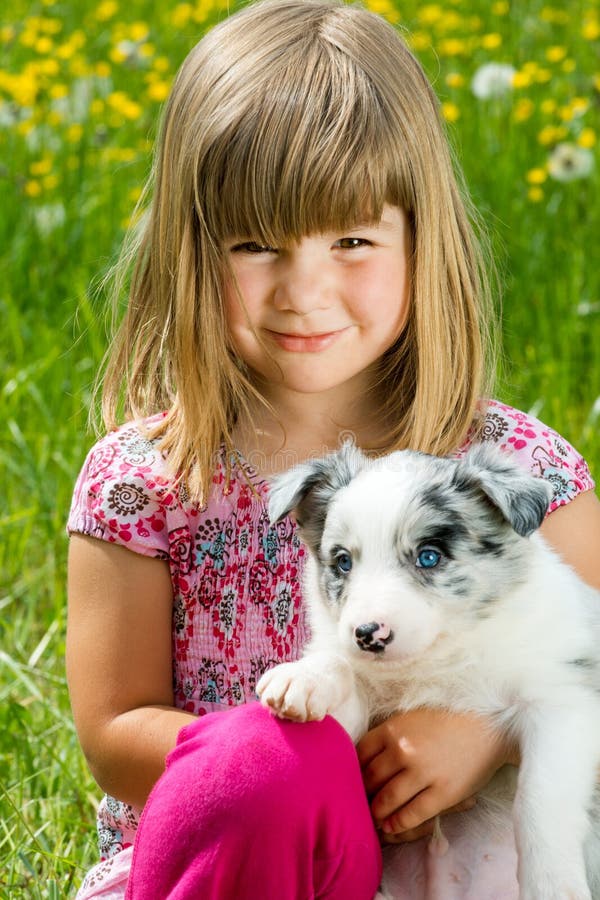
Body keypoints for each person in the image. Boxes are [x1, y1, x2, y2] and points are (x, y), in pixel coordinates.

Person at [66, 1, 600, 897]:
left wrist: (493, 732)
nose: (304, 290)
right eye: (254, 244)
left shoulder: (514, 465)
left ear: (420, 239)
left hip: (468, 866)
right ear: (191, 253)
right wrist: (296, 764)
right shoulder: (142, 484)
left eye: (352, 240)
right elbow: (116, 735)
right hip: (234, 856)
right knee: (262, 771)